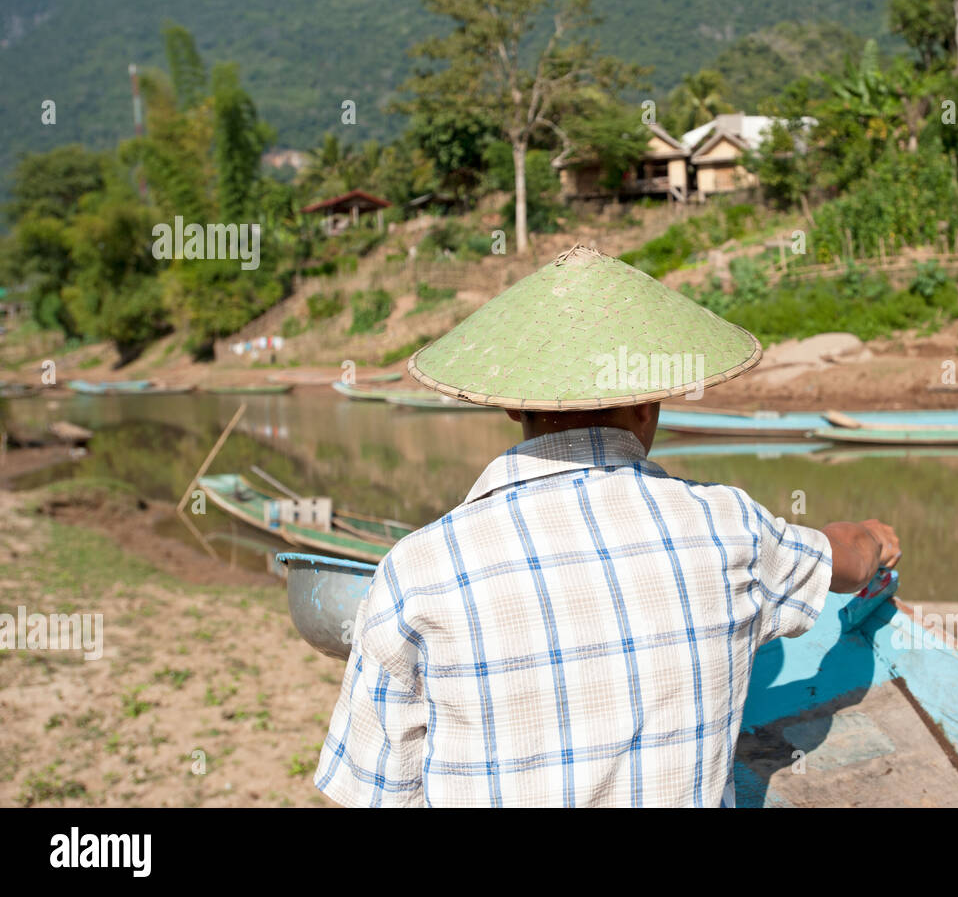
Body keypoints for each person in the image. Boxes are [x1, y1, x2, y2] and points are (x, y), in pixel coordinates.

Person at [315, 244, 901, 807]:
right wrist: (874, 537)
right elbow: (845, 561)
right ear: (650, 401)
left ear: (514, 403)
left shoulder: (418, 568)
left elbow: (376, 789)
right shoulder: (729, 527)